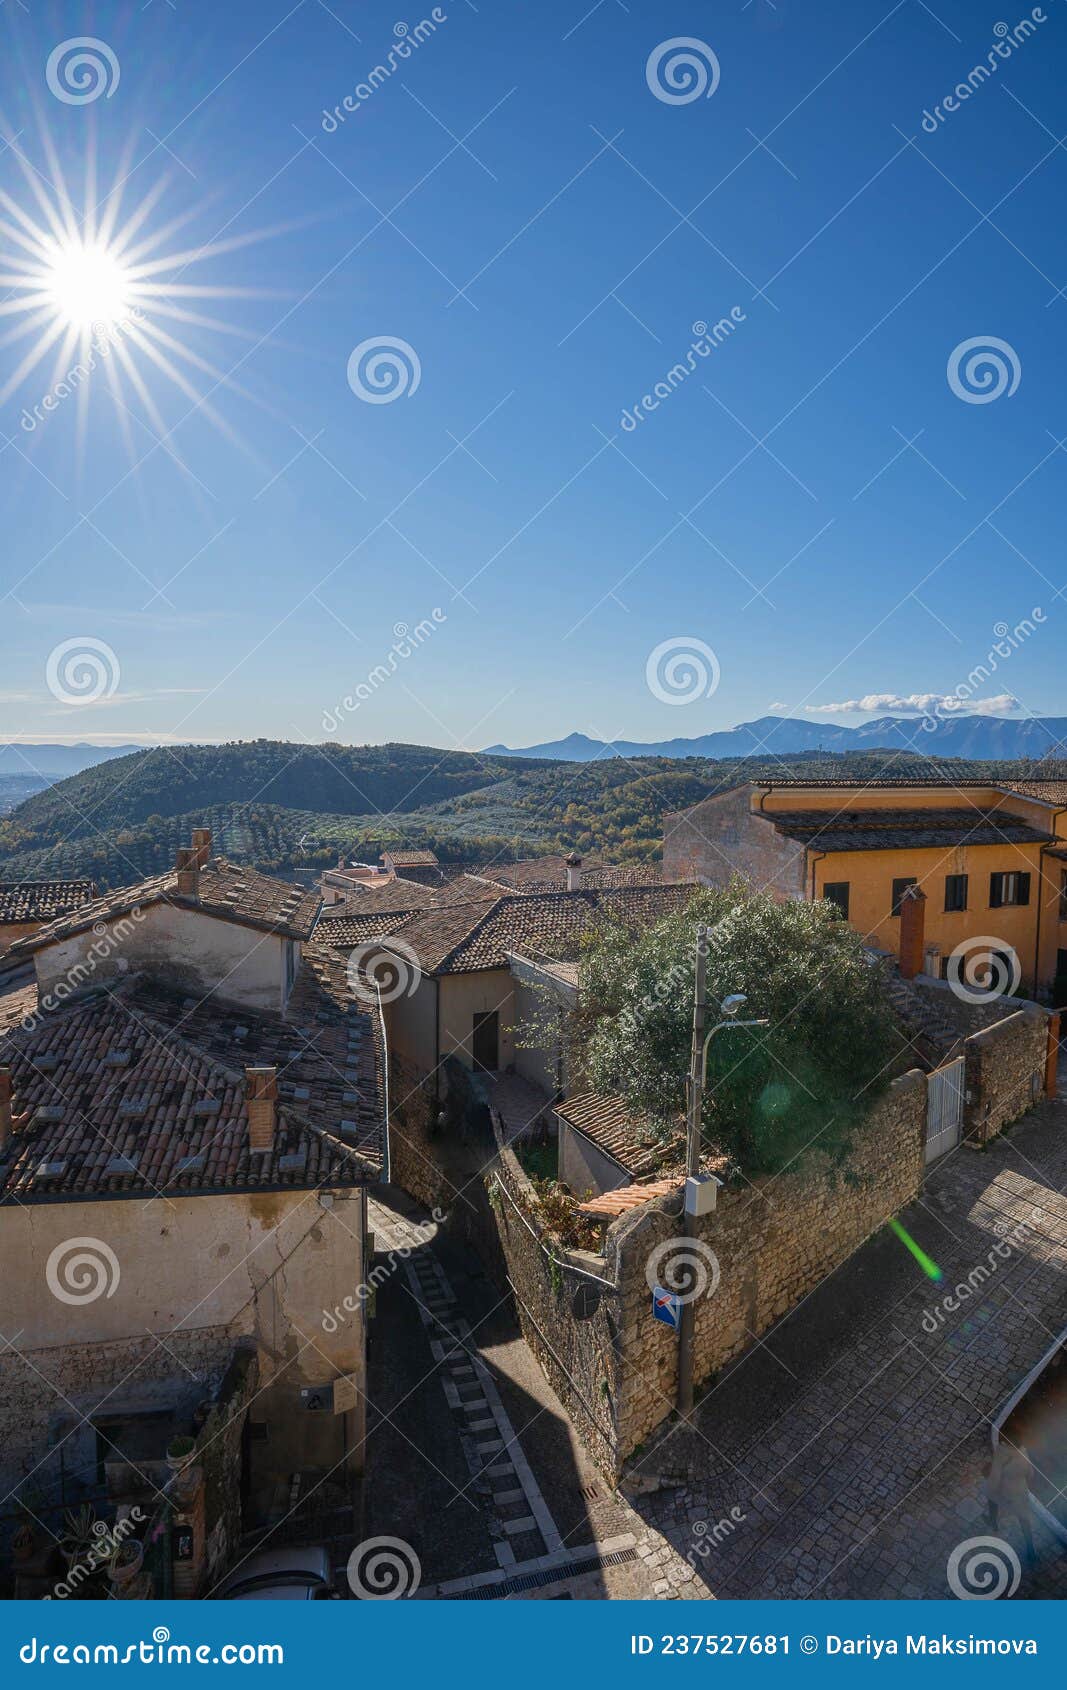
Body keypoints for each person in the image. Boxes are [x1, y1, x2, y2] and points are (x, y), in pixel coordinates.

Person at [986, 1438, 1036, 1565]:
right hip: (1019, 1492)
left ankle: (992, 1521)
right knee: (1024, 1520)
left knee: (991, 1497)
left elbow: (995, 1476)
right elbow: (1031, 1474)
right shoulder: (1023, 1452)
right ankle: (1030, 1548)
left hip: (1004, 1489)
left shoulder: (1002, 1454)